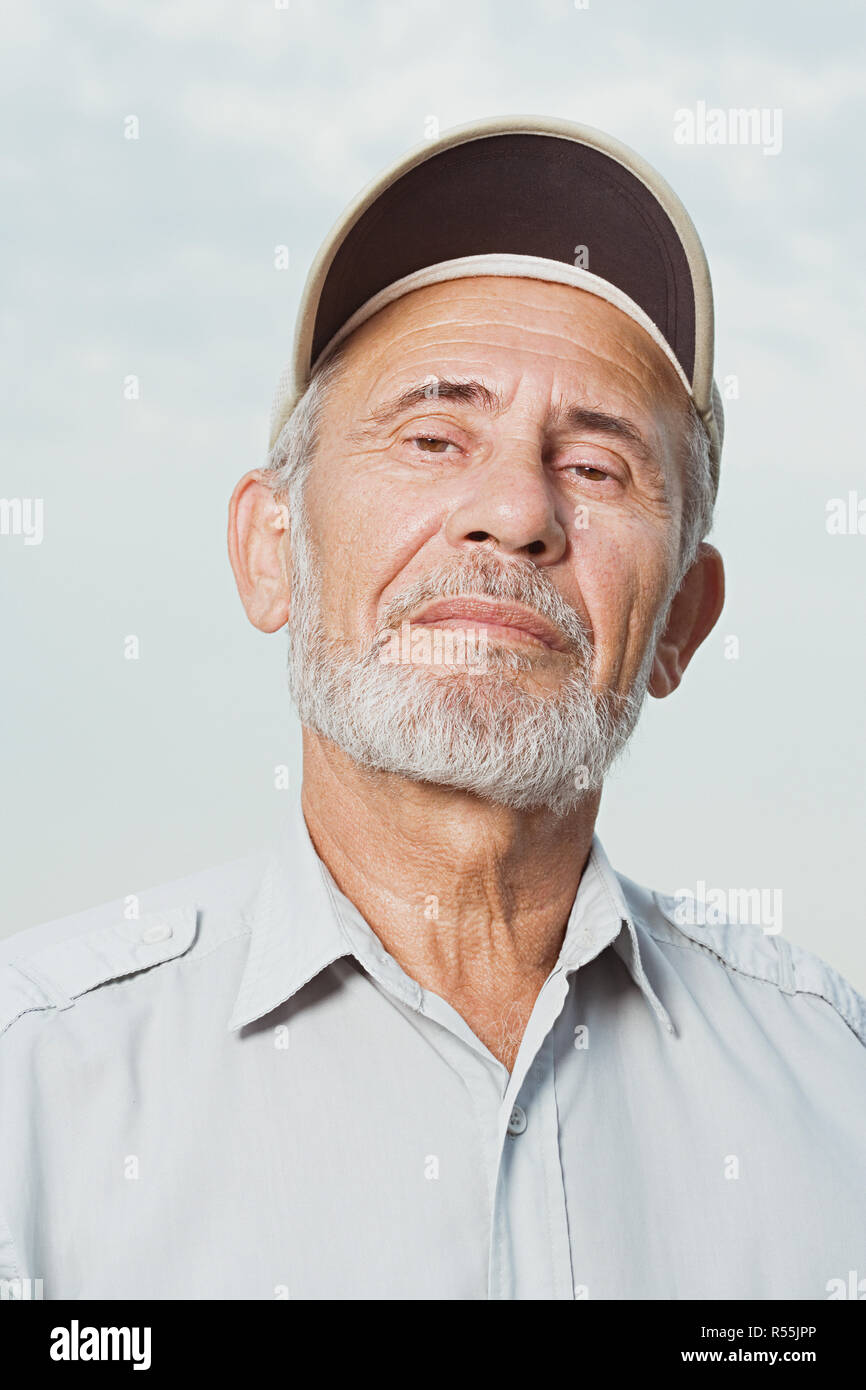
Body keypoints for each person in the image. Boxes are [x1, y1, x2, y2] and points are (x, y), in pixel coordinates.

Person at [1, 117, 863, 1301]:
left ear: (678, 622)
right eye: (431, 434)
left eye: (598, 466)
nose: (513, 511)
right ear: (271, 551)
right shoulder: (33, 1090)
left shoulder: (833, 1083)